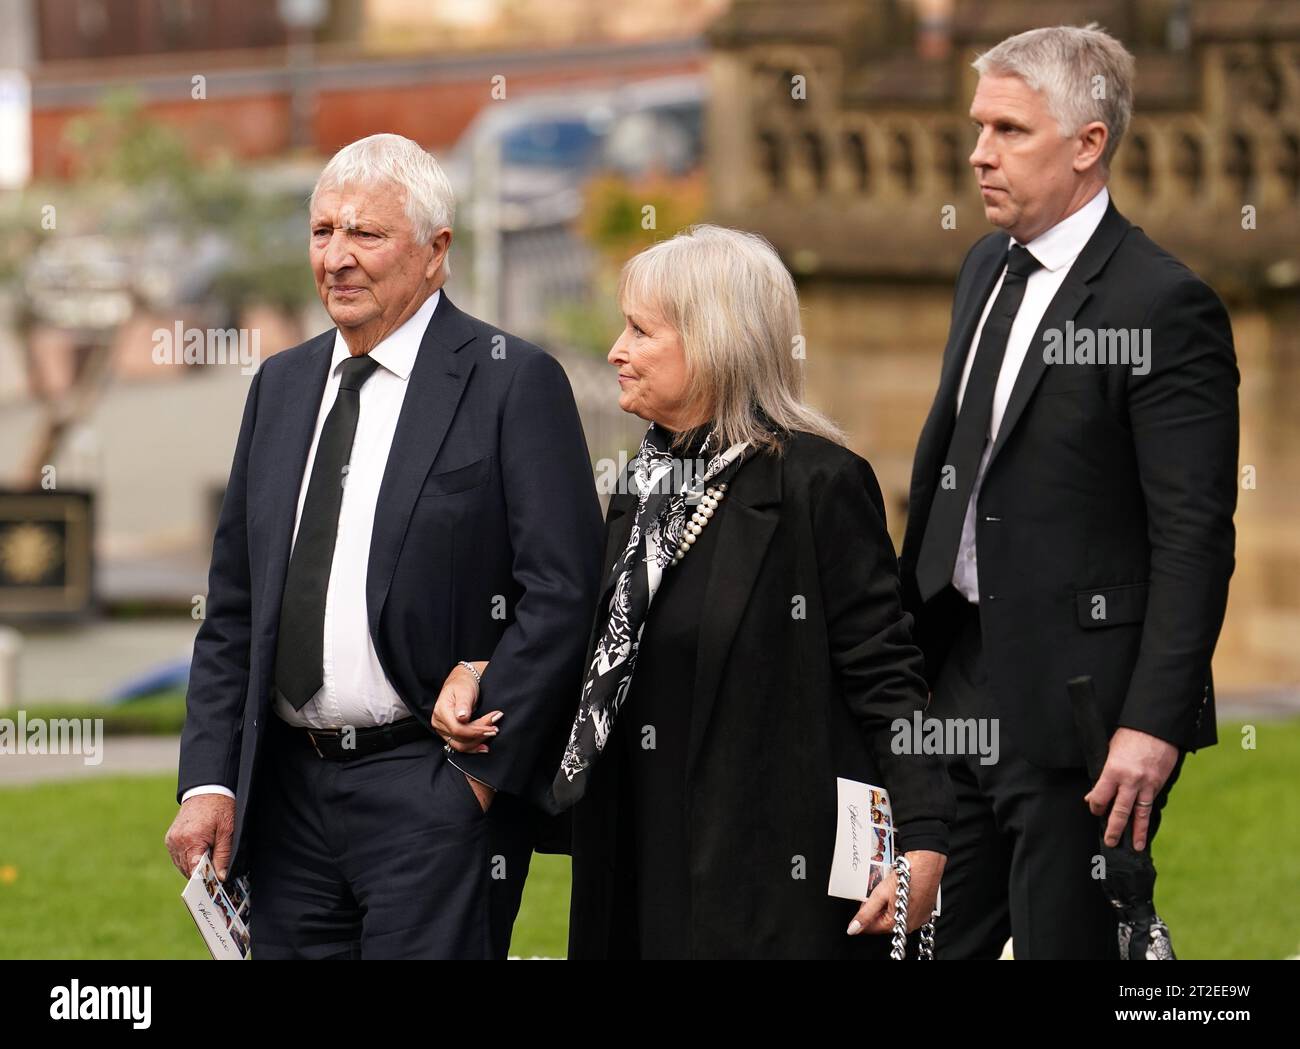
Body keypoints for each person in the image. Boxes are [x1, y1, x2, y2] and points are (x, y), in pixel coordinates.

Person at [164, 133, 603, 959]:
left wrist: (477, 777)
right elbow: (234, 608)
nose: (336, 257)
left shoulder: (512, 380)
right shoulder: (284, 385)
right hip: (286, 799)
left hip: (432, 792)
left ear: (437, 251)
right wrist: (210, 780)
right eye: (323, 231)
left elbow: (565, 592)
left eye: (365, 234)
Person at [898, 25, 1238, 959]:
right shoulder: (983, 267)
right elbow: (949, 474)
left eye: (1009, 130)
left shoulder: (1164, 304)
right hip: (956, 677)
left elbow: (1195, 538)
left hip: (1083, 721)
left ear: (1088, 144)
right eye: (979, 127)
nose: (978, 153)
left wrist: (1151, 726)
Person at [553, 223, 954, 959]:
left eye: (640, 331)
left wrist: (924, 837)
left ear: (714, 342)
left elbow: (887, 677)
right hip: (635, 861)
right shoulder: (643, 485)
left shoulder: (818, 484)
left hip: (767, 879)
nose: (616, 349)